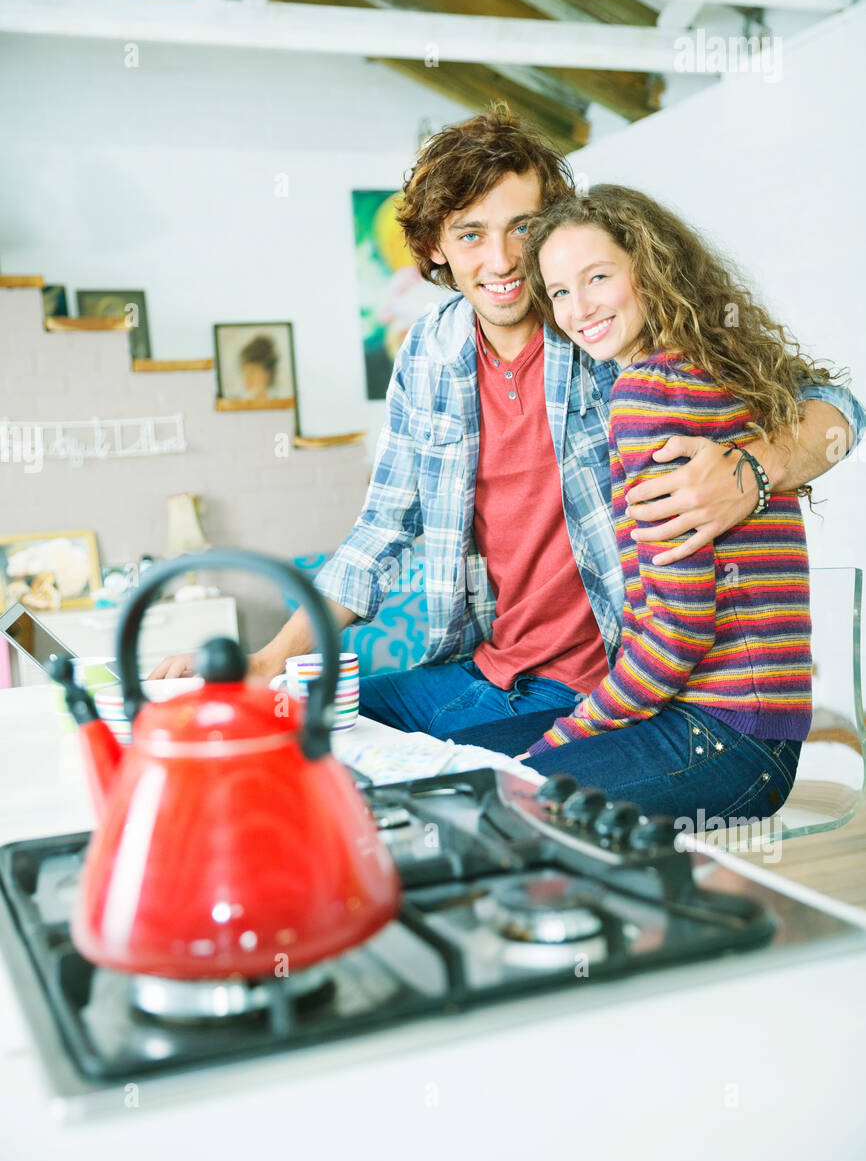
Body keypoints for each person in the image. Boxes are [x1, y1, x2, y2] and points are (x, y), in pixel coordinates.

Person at [150, 110, 863, 772]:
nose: (503, 260)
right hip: (489, 670)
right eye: (470, 234)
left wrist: (754, 469)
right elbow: (380, 532)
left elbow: (838, 409)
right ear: (434, 247)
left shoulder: (606, 331)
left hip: (608, 685)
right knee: (301, 733)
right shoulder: (427, 354)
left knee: (450, 796)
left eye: (523, 228)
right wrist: (267, 659)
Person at [447, 186, 842, 820]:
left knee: (489, 804)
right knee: (458, 771)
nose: (578, 308)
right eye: (560, 292)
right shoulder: (718, 369)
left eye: (597, 277)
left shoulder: (648, 396)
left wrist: (560, 740)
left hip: (728, 735)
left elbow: (678, 630)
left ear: (649, 269)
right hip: (739, 723)